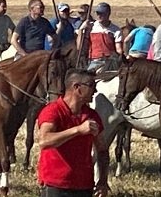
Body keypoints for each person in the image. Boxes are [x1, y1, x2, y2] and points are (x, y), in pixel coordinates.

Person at [36, 69, 110, 197]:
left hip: (84, 186)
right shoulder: (52, 111)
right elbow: (44, 141)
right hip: (55, 185)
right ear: (77, 88)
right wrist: (78, 130)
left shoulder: (92, 116)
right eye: (92, 86)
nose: (95, 91)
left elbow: (102, 150)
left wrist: (102, 181)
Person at [86, 3, 122, 73]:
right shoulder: (91, 26)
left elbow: (118, 49)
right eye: (97, 13)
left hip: (110, 61)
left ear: (108, 13)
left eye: (101, 13)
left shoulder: (116, 30)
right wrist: (82, 29)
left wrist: (121, 58)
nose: (99, 16)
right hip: (94, 61)